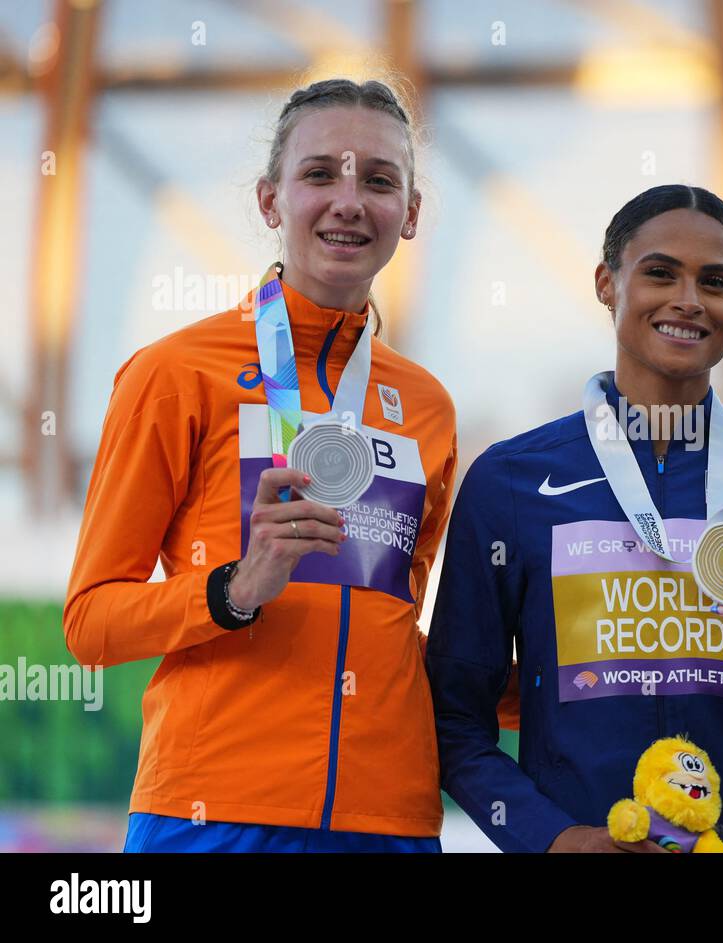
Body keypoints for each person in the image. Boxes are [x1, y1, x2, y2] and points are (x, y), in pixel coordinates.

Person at [64, 78, 458, 851]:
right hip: (212, 812)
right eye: (320, 175)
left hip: (388, 819)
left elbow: (391, 630)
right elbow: (89, 621)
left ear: (409, 215)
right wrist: (233, 589)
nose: (349, 200)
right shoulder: (176, 372)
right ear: (270, 201)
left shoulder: (427, 406)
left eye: (379, 180)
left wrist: (586, 674)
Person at [427, 184, 723, 852]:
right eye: (661, 272)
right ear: (607, 282)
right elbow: (454, 721)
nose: (688, 299)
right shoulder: (509, 482)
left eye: (716, 281)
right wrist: (555, 838)